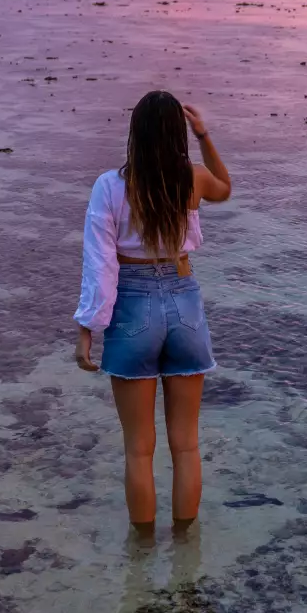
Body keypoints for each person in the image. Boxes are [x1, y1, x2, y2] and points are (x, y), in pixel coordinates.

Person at [74, 91, 232, 531]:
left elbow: (101, 263)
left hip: (133, 304)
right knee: (186, 446)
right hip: (185, 300)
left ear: (135, 134)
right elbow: (226, 187)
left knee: (139, 450)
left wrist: (89, 326)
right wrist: (204, 135)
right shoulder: (192, 178)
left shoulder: (110, 186)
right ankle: (186, 556)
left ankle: (141, 559)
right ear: (177, 134)